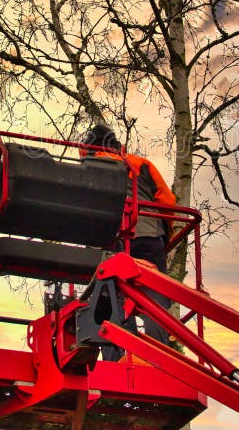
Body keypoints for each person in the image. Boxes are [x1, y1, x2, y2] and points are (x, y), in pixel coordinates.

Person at [80, 124, 176, 357]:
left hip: (111, 243)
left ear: (87, 148)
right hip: (149, 239)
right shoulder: (141, 164)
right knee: (156, 301)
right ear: (116, 145)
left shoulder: (87, 168)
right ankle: (159, 359)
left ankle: (119, 360)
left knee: (110, 300)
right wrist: (163, 233)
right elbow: (168, 202)